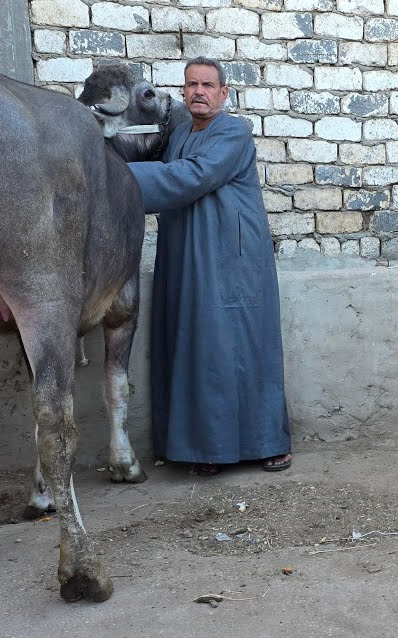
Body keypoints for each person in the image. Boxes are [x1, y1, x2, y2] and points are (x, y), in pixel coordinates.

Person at [128, 57, 292, 475]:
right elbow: (164, 167)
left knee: (239, 347)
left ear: (223, 94)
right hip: (187, 256)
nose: (199, 91)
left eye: (208, 85)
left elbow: (192, 176)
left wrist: (113, 178)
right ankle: (206, 449)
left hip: (231, 259)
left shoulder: (234, 132)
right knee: (195, 345)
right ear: (182, 93)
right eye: (191, 84)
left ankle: (267, 442)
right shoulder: (181, 132)